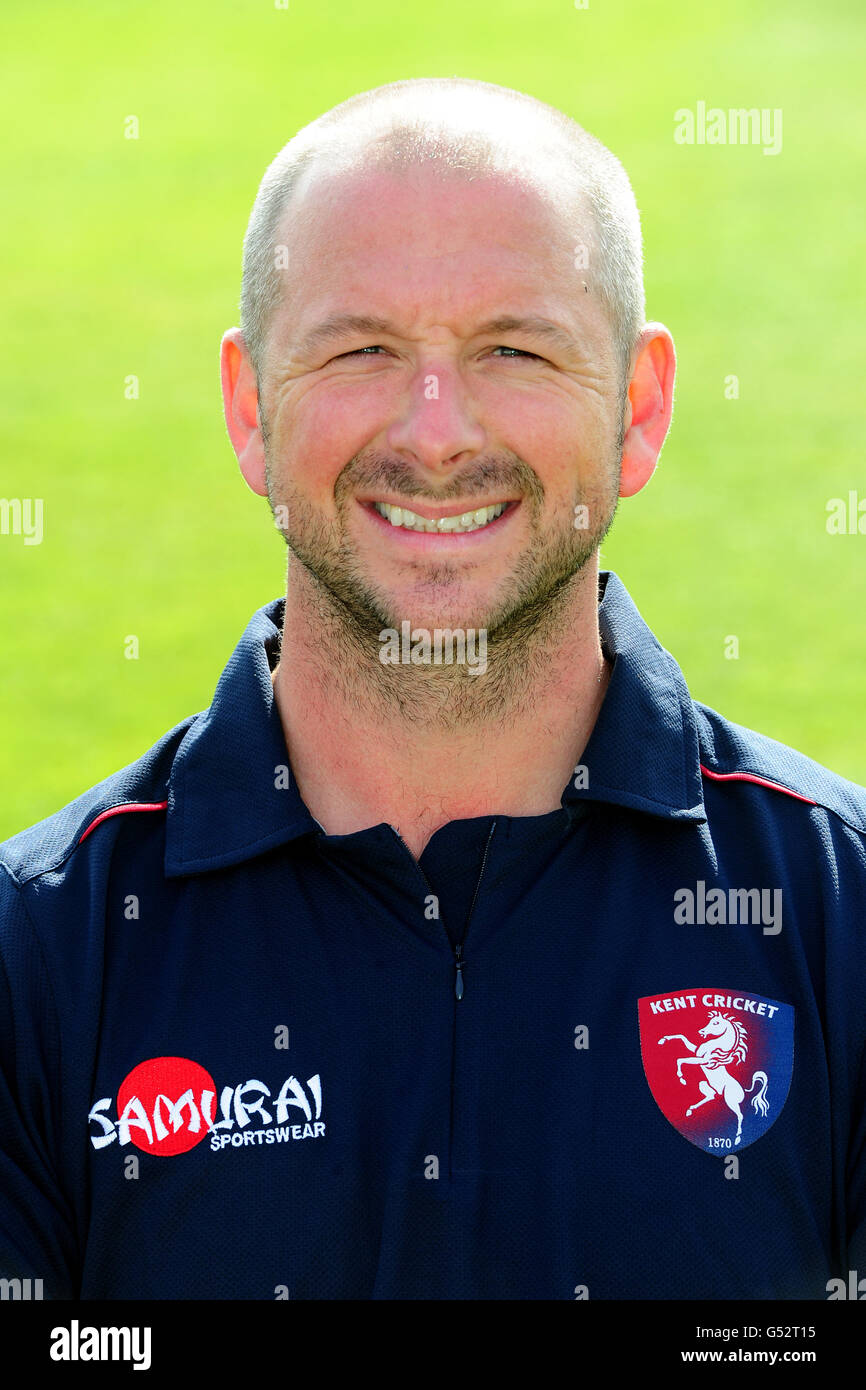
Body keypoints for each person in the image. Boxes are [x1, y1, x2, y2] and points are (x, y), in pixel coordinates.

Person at [1, 76, 864, 1302]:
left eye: (514, 348)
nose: (437, 432)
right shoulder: (37, 952)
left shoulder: (839, 914)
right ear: (251, 408)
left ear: (638, 404)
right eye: (361, 349)